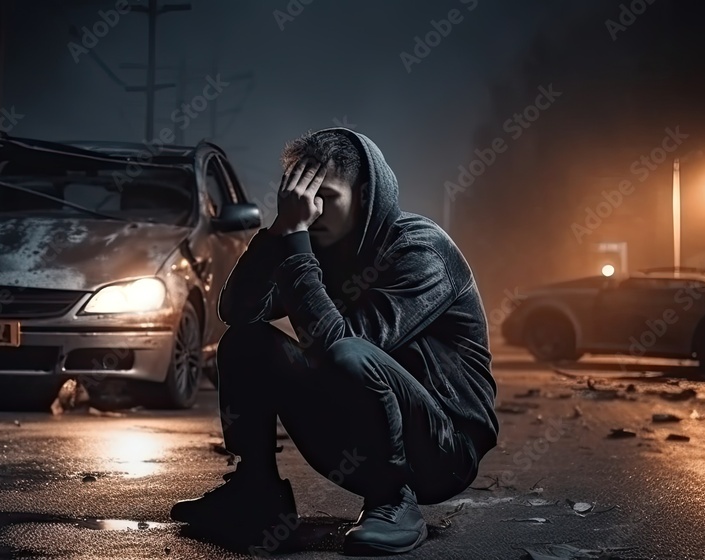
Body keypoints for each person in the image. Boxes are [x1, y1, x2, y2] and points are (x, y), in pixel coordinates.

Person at [170, 127, 498, 555]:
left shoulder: (421, 251)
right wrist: (278, 234)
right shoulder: (314, 241)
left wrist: (297, 245)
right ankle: (257, 493)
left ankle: (394, 501)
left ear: (364, 195)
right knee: (245, 342)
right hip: (360, 438)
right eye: (303, 198)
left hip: (441, 450)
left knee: (348, 352)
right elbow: (238, 310)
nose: (313, 210)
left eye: (326, 196)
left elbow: (340, 346)